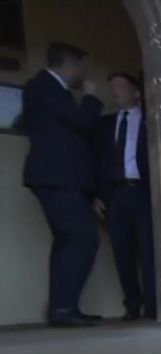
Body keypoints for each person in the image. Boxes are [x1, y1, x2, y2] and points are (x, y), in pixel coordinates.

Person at [21, 42, 103, 327]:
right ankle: (63, 309)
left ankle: (63, 309)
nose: (84, 74)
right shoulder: (44, 86)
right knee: (83, 239)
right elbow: (82, 122)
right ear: (72, 65)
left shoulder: (48, 91)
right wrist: (91, 97)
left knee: (67, 242)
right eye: (83, 67)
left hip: (60, 179)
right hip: (56, 178)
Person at [94, 72, 156, 321]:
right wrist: (97, 195)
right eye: (112, 87)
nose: (115, 91)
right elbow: (97, 161)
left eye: (120, 86)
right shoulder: (105, 125)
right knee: (122, 252)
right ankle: (132, 304)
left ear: (136, 93)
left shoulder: (151, 121)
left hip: (142, 192)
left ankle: (153, 305)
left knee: (150, 251)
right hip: (115, 194)